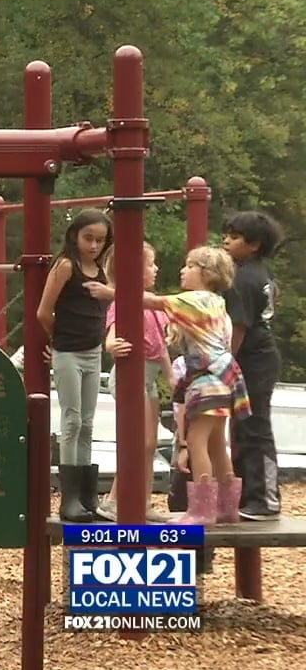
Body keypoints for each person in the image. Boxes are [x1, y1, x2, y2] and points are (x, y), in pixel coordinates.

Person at [141, 246, 251, 524]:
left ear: (208, 274)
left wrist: (110, 293)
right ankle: (227, 507)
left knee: (196, 441)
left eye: (190, 266)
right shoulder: (217, 303)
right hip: (225, 380)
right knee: (217, 444)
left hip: (206, 380)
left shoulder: (195, 299)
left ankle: (202, 510)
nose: (183, 270)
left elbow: (151, 301)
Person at [36, 209, 115, 523]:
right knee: (71, 420)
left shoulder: (102, 268)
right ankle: (69, 498)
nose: (93, 245)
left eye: (100, 240)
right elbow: (44, 312)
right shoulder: (67, 266)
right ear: (75, 236)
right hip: (68, 352)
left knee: (88, 422)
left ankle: (87, 495)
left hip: (93, 352)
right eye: (88, 238)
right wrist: (58, 342)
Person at [96, 241, 173, 523]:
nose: (156, 269)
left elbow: (161, 346)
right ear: (133, 271)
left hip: (149, 378)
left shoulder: (153, 304)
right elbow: (112, 332)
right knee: (136, 441)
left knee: (150, 443)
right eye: (150, 264)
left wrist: (170, 374)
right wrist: (111, 345)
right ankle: (114, 500)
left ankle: (144, 501)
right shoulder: (124, 303)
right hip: (130, 376)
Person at [221, 211, 284, 521]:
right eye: (227, 235)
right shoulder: (259, 272)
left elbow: (239, 327)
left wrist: (224, 362)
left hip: (253, 358)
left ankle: (265, 499)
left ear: (254, 244)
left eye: (234, 237)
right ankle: (248, 493)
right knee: (243, 426)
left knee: (255, 426)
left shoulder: (243, 279)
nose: (226, 241)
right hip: (259, 355)